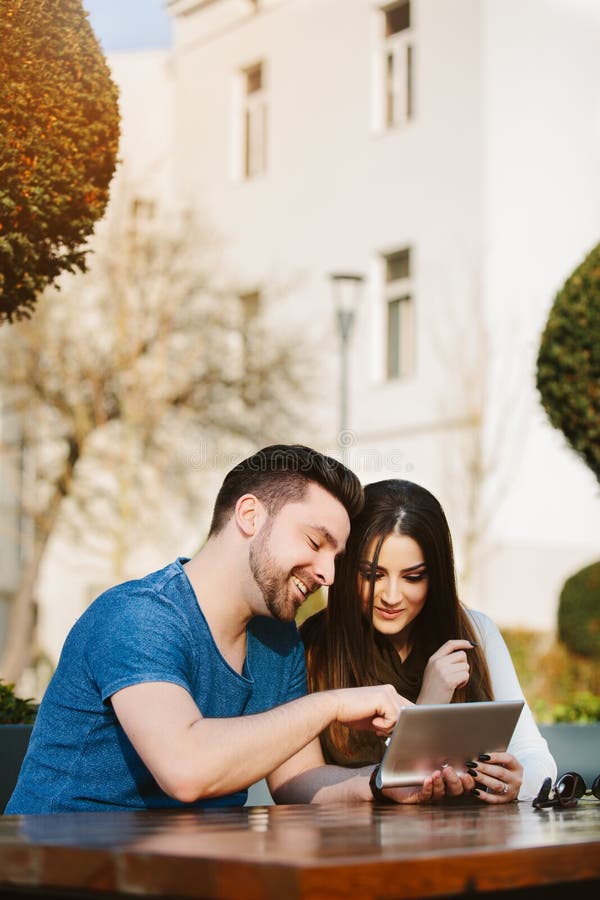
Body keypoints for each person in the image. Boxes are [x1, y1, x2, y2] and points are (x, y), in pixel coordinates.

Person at [6, 446, 473, 814]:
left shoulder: (278, 640)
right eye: (315, 542)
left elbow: (298, 781)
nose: (329, 575)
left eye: (337, 557)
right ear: (250, 516)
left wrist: (382, 781)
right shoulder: (138, 616)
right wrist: (331, 704)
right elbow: (186, 769)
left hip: (188, 870)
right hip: (61, 868)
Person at [301, 479, 557, 802]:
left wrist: (518, 783)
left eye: (413, 577)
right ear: (347, 567)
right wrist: (428, 706)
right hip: (355, 835)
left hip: (470, 832)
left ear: (436, 576)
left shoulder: (475, 632)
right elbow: (298, 785)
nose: (391, 596)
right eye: (372, 575)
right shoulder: (313, 647)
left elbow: (536, 758)